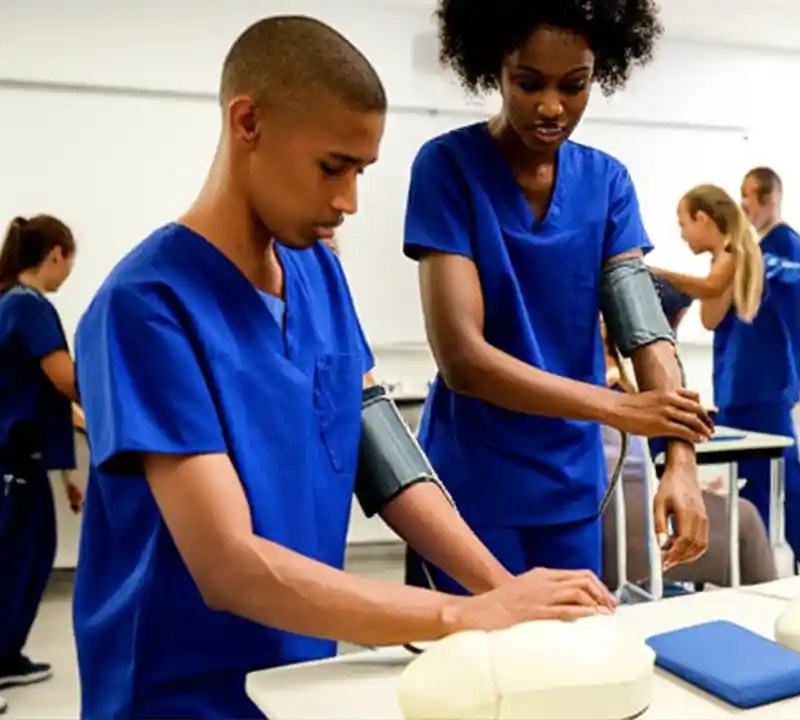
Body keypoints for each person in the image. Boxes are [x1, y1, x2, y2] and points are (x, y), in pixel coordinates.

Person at [71, 16, 613, 720]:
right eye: (333, 167)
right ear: (248, 122)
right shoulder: (145, 308)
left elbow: (383, 456)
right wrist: (458, 616)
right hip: (180, 694)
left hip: (298, 676)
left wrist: (499, 587)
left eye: (361, 172)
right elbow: (229, 565)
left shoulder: (317, 273)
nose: (348, 202)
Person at [404, 0, 714, 595]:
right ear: (494, 68)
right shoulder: (447, 168)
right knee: (478, 673)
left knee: (571, 667)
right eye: (529, 83)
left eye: (574, 86)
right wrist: (617, 408)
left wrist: (679, 459)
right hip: (469, 486)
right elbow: (462, 360)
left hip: (568, 486)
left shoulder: (606, 182)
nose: (552, 107)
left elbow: (642, 326)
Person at [651, 180, 800, 581]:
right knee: (753, 499)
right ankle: (753, 582)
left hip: (766, 388)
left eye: (683, 224)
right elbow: (710, 316)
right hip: (736, 390)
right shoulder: (730, 258)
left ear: (703, 218)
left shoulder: (777, 250)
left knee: (791, 491)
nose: (682, 234)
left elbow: (725, 287)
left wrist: (647, 270)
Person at [0, 215, 81, 718]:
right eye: (69, 263)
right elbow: (64, 381)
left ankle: (1, 657)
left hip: (14, 459)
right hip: (2, 460)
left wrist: (67, 473)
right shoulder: (29, 306)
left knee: (32, 561)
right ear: (55, 253)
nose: (68, 275)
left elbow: (39, 395)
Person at [599, 320, 777, 590]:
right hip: (611, 510)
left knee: (738, 514)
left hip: (620, 499)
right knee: (746, 520)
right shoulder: (607, 376)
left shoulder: (626, 372)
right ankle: (764, 620)